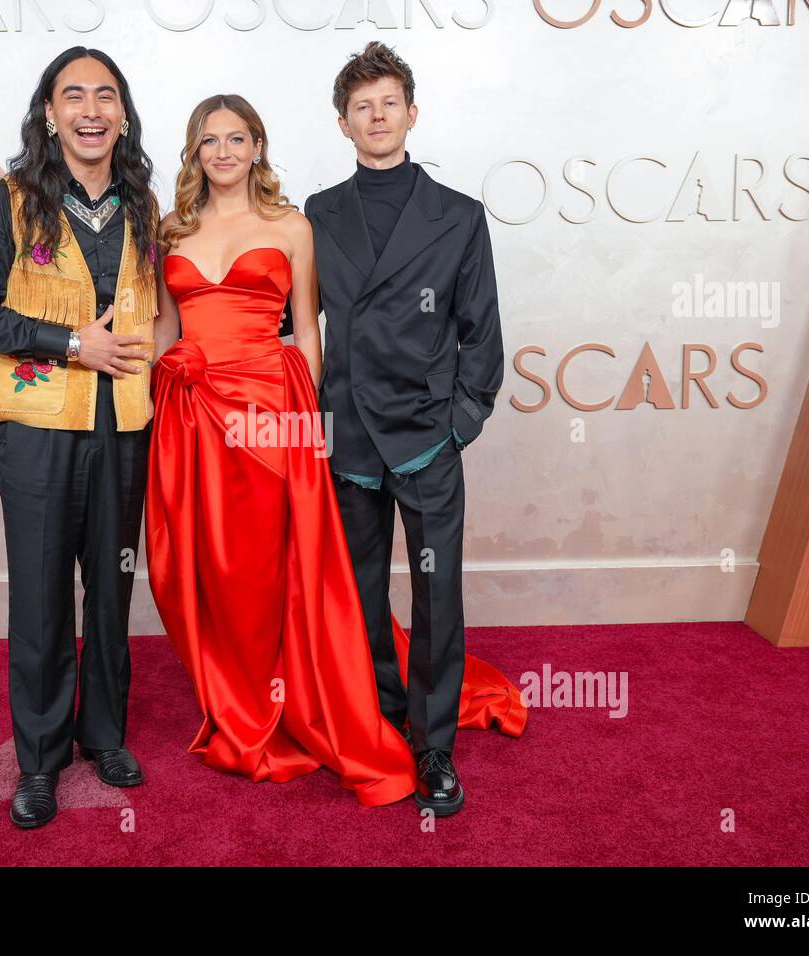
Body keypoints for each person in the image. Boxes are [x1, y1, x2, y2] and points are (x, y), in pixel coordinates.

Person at [145, 94, 526, 812]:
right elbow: (168, 337)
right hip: (203, 421)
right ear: (194, 152)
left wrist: (311, 427)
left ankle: (430, 738)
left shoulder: (297, 223)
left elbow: (311, 334)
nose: (223, 152)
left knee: (397, 581)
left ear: (258, 144)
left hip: (306, 424)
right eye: (208, 141)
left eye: (237, 138)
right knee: (280, 578)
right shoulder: (179, 229)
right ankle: (334, 704)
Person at [304, 41, 522, 816]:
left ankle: (433, 747)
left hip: (427, 438)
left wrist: (461, 422)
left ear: (412, 113)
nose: (376, 116)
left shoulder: (457, 215)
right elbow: (299, 322)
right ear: (343, 123)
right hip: (351, 439)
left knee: (436, 595)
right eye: (362, 107)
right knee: (358, 594)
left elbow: (483, 331)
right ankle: (379, 719)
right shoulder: (319, 213)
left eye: (389, 103)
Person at [0, 47, 161, 830]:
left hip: (123, 426)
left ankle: (103, 734)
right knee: (41, 595)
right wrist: (72, 345)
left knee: (111, 587)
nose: (91, 109)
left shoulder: (140, 202)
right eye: (74, 96)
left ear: (123, 114)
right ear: (50, 113)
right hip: (39, 430)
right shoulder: (11, 200)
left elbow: (155, 311)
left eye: (106, 96)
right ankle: (39, 759)